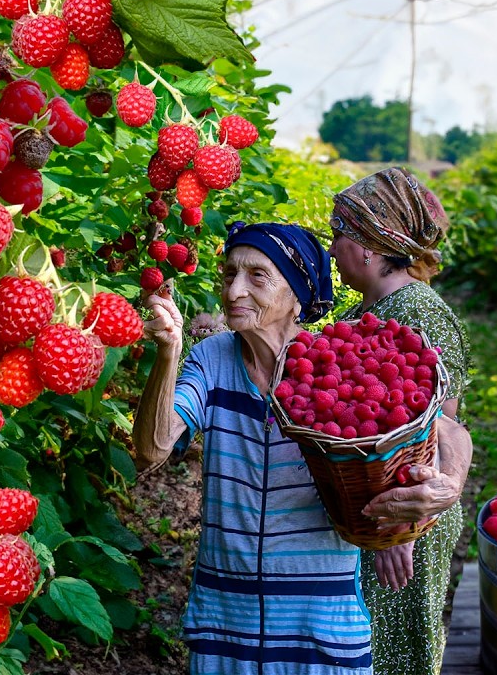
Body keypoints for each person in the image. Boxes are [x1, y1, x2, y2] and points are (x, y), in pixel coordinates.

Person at [136, 222, 414, 674]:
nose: (234, 291)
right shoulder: (212, 359)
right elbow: (153, 448)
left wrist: (397, 517)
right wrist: (168, 352)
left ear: (298, 295)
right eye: (230, 274)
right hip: (227, 622)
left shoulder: (337, 368)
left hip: (319, 622)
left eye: (258, 276)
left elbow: (390, 459)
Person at [329, 167, 474, 675]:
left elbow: (440, 425)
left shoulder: (420, 312)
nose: (332, 249)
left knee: (396, 645)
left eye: (338, 235)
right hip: (369, 507)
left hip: (405, 512)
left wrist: (403, 527)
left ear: (369, 245)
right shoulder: (365, 309)